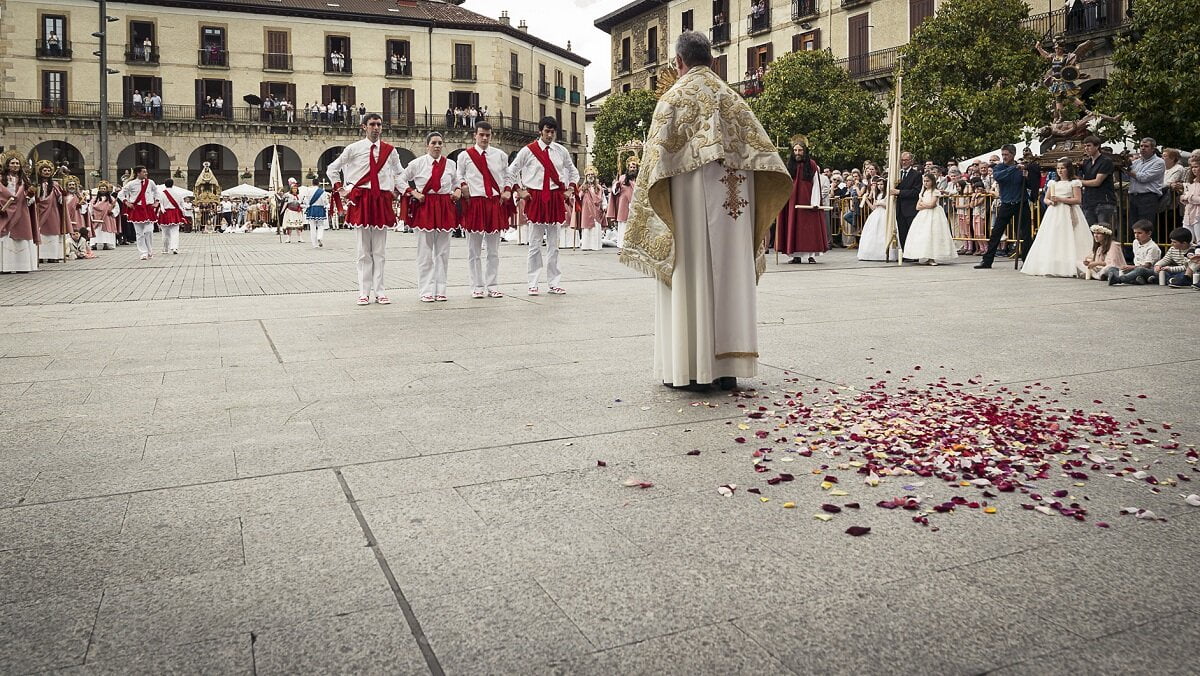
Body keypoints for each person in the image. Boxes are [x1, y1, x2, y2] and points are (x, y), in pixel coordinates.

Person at [619, 31, 790, 390]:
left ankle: (691, 369)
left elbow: (651, 173)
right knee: (729, 276)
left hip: (690, 210)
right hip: (735, 211)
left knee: (691, 274)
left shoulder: (672, 100)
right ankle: (728, 370)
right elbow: (768, 164)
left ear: (679, 62)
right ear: (711, 61)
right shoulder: (736, 102)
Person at [327, 113, 403, 305]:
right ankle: (363, 292)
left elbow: (399, 173)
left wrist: (407, 190)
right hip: (362, 199)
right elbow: (332, 168)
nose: (376, 128)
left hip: (381, 200)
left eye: (379, 124)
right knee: (363, 250)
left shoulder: (390, 151)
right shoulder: (353, 149)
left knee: (379, 250)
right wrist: (340, 188)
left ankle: (380, 291)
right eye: (372, 124)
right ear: (364, 127)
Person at [509, 116, 581, 296]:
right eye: (547, 131)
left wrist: (571, 189)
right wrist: (519, 190)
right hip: (536, 197)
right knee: (534, 243)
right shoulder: (528, 151)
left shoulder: (561, 151)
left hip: (555, 196)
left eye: (552, 132)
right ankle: (532, 283)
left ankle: (554, 283)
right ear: (540, 131)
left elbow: (573, 172)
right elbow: (511, 171)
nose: (549, 135)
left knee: (553, 244)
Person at [454, 120, 513, 299]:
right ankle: (477, 286)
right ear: (475, 135)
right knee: (474, 249)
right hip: (475, 202)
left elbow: (509, 175)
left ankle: (493, 285)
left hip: (494, 201)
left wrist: (508, 189)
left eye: (488, 135)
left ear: (491, 135)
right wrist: (463, 185)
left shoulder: (500, 155)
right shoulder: (465, 156)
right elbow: (458, 175)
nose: (485, 138)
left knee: (494, 249)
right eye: (481, 135)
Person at [401, 132, 458, 302]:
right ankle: (425, 290)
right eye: (433, 142)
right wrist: (413, 192)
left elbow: (457, 181)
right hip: (425, 206)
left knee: (443, 252)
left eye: (440, 142)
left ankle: (441, 289)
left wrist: (456, 190)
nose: (437, 145)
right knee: (425, 252)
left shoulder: (451, 164)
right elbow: (400, 179)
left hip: (444, 206)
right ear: (427, 146)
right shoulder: (417, 163)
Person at [1021, 159, 1092, 277]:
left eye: (1062, 168)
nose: (1060, 171)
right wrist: (1050, 202)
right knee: (1054, 236)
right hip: (1054, 212)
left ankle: (1071, 262)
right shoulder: (1053, 183)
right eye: (1058, 168)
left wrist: (1061, 200)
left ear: (1068, 169)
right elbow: (1046, 198)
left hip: (1069, 210)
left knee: (1070, 235)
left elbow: (1078, 200)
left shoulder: (1074, 183)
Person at [974, 145, 1030, 269]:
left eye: (1007, 154)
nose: (1004, 157)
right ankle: (987, 261)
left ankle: (1027, 261)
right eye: (1003, 154)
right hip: (1006, 203)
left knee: (1025, 234)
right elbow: (999, 176)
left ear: (1013, 154)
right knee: (996, 232)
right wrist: (1015, 168)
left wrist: (1026, 173)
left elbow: (1029, 183)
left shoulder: (1021, 167)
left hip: (1021, 202)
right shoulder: (1000, 167)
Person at [777, 139, 829, 263]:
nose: (797, 153)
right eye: (795, 150)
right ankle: (796, 256)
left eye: (800, 150)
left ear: (804, 151)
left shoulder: (811, 164)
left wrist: (815, 201)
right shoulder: (789, 164)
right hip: (792, 202)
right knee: (794, 228)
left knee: (809, 229)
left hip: (807, 201)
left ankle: (811, 255)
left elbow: (816, 183)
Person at [903, 173, 958, 265]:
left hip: (934, 215)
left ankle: (932, 257)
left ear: (932, 182)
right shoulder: (923, 192)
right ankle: (926, 255)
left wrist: (924, 205)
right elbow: (917, 207)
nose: (925, 183)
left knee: (933, 234)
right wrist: (925, 206)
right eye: (924, 181)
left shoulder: (935, 191)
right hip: (923, 215)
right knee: (924, 234)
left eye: (927, 181)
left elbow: (932, 204)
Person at [0, 151, 38, 273]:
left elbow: (29, 198)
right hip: (5, 211)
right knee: (5, 237)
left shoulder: (24, 180)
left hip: (21, 211)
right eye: (12, 163)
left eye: (17, 163)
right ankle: (4, 266)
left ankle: (22, 266)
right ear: (7, 165)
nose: (15, 165)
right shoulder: (1, 179)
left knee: (21, 238)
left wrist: (30, 195)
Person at [119, 165, 159, 260]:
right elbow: (121, 194)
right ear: (138, 173)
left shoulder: (150, 182)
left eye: (146, 171)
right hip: (136, 208)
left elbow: (156, 191)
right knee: (139, 233)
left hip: (148, 208)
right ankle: (143, 253)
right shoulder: (131, 184)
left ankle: (150, 250)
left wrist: (157, 201)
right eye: (144, 172)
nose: (146, 173)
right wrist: (126, 202)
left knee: (148, 231)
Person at [1108, 220, 1161, 285]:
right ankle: (1136, 280)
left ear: (1149, 233)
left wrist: (1132, 267)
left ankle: (1119, 279)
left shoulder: (1153, 247)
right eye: (1135, 233)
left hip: (1148, 271)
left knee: (1140, 270)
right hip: (1135, 269)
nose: (1136, 235)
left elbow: (1147, 266)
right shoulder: (1135, 242)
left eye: (1139, 233)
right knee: (1112, 268)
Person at [32, 161, 66, 263]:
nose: (46, 172)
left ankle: (53, 256)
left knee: (53, 234)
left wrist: (63, 195)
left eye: (48, 170)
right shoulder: (36, 184)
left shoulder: (55, 185)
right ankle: (41, 256)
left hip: (52, 211)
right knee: (41, 232)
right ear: (40, 171)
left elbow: (60, 200)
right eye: (44, 170)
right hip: (40, 210)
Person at [1079, 136, 1116, 227]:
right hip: (1089, 201)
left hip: (1103, 201)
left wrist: (1079, 182)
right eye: (1085, 146)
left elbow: (1097, 182)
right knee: (1090, 230)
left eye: (1089, 146)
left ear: (1097, 146)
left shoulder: (1105, 161)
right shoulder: (1087, 162)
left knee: (1103, 230)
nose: (1086, 148)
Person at [1127, 137, 1164, 227]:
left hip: (1148, 197)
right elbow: (1127, 176)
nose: (1143, 148)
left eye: (1146, 146)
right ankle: (1135, 241)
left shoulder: (1159, 162)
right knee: (1133, 225)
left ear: (1153, 149)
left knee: (1145, 226)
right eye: (1141, 146)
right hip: (1133, 197)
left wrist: (1128, 171)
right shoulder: (1136, 162)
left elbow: (1144, 177)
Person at [857, 176, 892, 261]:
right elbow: (873, 207)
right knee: (873, 232)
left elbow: (889, 206)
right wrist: (866, 200)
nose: (880, 186)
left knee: (883, 232)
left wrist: (880, 204)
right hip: (876, 214)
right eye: (878, 184)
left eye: (881, 184)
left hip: (884, 214)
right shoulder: (877, 195)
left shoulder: (887, 195)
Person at [891, 152, 921, 249]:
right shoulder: (897, 174)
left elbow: (915, 192)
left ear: (911, 161)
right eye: (902, 160)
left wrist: (899, 192)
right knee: (902, 232)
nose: (904, 162)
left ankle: (913, 253)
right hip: (899, 209)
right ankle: (904, 252)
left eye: (906, 160)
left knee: (911, 232)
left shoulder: (916, 175)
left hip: (910, 208)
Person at [607, 156, 638, 248]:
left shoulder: (639, 179)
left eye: (634, 167)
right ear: (627, 168)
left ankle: (633, 247)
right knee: (623, 226)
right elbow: (615, 192)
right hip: (623, 206)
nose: (632, 169)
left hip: (635, 205)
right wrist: (616, 186)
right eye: (631, 167)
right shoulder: (622, 178)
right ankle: (622, 246)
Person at [577, 166, 605, 251]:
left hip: (596, 209)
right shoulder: (583, 187)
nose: (590, 176)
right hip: (587, 210)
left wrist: (604, 206)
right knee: (587, 227)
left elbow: (603, 198)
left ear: (594, 176)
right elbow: (579, 197)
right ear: (586, 177)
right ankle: (586, 246)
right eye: (588, 175)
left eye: (592, 174)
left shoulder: (599, 187)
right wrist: (582, 190)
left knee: (595, 227)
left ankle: (595, 246)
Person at [156, 178, 187, 254]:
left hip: (165, 213)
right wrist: (183, 213)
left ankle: (165, 249)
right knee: (175, 232)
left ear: (165, 184)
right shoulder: (178, 194)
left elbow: (160, 204)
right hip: (175, 213)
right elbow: (182, 205)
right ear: (172, 184)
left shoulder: (161, 194)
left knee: (165, 233)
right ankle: (174, 248)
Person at [88, 181, 120, 250]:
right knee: (97, 231)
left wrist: (112, 212)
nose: (102, 190)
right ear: (99, 189)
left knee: (106, 232)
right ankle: (94, 244)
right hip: (97, 218)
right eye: (101, 188)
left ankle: (106, 244)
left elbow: (116, 207)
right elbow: (90, 207)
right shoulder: (94, 199)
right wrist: (91, 214)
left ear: (106, 190)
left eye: (104, 189)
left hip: (107, 218)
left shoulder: (111, 199)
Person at [299, 179, 328, 248]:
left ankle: (314, 244)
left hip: (312, 209)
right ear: (318, 183)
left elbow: (306, 200)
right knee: (320, 225)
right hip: (320, 209)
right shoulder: (322, 192)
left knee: (312, 227)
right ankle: (319, 237)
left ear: (312, 183)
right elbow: (325, 201)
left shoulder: (308, 191)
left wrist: (307, 205)